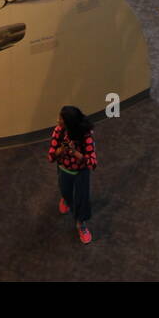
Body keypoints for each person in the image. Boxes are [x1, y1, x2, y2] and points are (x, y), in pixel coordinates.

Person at [48, 105, 98, 244]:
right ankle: (65, 198)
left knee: (82, 199)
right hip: (64, 169)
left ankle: (81, 224)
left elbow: (92, 163)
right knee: (66, 192)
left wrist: (75, 153)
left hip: (81, 171)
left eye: (61, 119)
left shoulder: (86, 135)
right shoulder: (58, 131)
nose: (58, 120)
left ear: (70, 123)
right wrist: (63, 149)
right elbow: (51, 157)